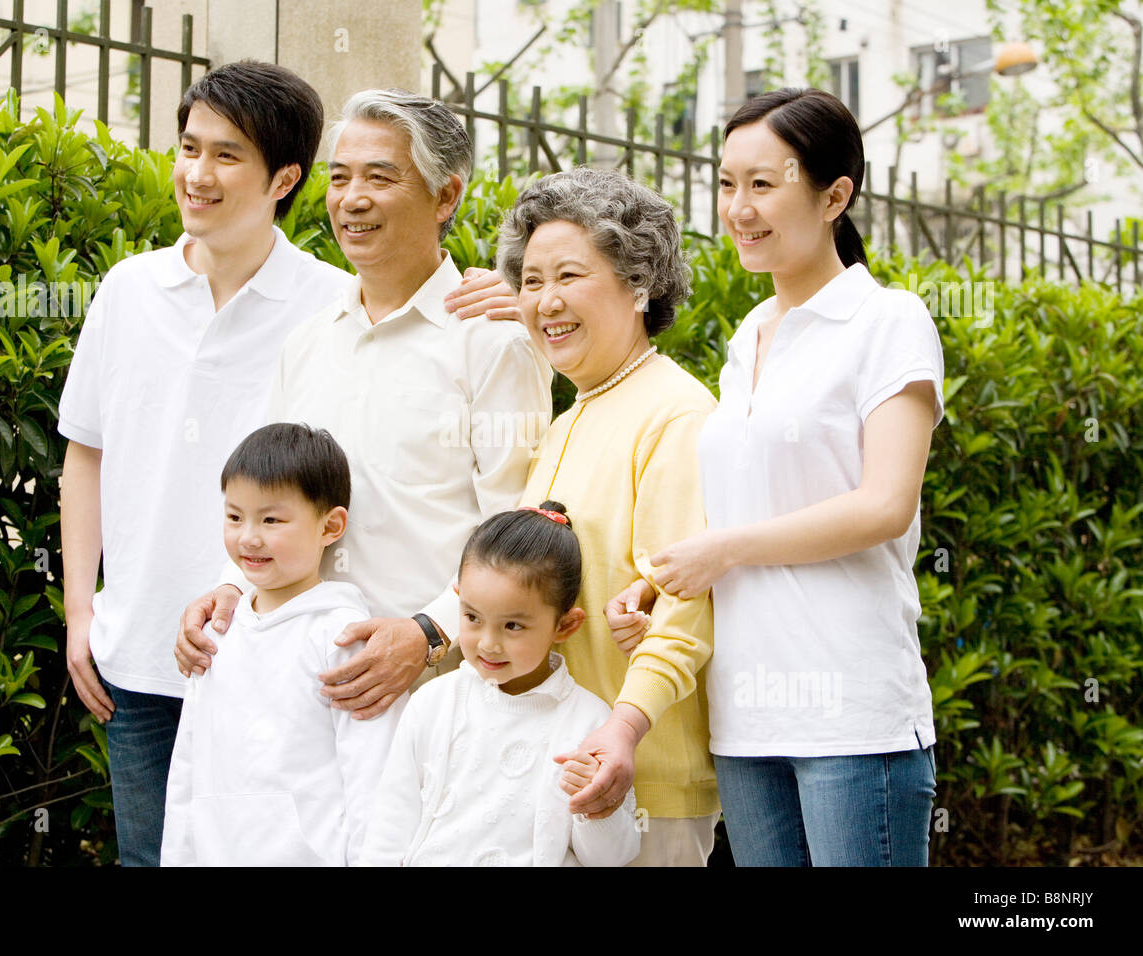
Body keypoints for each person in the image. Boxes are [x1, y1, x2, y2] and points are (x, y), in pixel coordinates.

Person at [58, 63, 510, 866]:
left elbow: (521, 516)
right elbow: (96, 459)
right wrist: (103, 611)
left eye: (227, 155)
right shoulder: (164, 299)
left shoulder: (384, 314)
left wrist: (515, 296)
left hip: (357, 669)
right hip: (199, 653)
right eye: (189, 149)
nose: (199, 174)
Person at [609, 88, 943, 866]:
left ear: (835, 196)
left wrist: (722, 552)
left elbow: (885, 506)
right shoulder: (749, 337)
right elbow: (747, 504)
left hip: (854, 717)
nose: (738, 207)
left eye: (764, 183)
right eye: (727, 183)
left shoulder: (888, 321)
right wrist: (659, 583)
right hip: (746, 717)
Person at [173, 90, 553, 716]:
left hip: (434, 697)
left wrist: (429, 634)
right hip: (305, 690)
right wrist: (229, 588)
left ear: (446, 196)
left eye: (380, 177)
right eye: (340, 177)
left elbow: (516, 527)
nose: (352, 199)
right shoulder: (309, 340)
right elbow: (270, 499)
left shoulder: (494, 343)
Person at [485, 167, 720, 866]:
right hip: (560, 771)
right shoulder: (567, 420)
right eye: (530, 281)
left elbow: (686, 610)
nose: (545, 301)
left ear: (639, 285)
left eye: (569, 276)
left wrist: (621, 731)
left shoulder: (676, 413)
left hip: (642, 779)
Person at [161, 424, 402, 866]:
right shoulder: (216, 633)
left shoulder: (343, 638)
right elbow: (187, 773)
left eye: (271, 520)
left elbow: (373, 780)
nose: (249, 537)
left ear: (331, 525)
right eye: (235, 517)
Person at [359, 502, 639, 867]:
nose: (488, 643)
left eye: (512, 626)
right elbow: (389, 827)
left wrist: (594, 805)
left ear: (565, 626)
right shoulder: (434, 702)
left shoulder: (591, 723)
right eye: (472, 617)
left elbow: (611, 859)